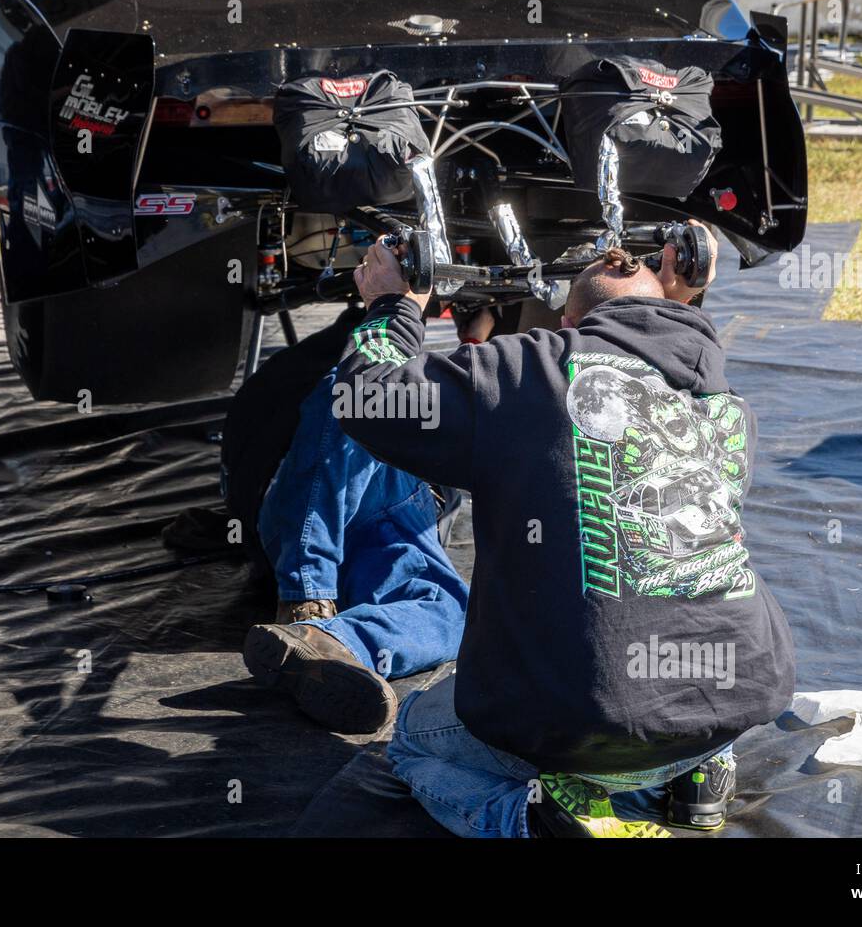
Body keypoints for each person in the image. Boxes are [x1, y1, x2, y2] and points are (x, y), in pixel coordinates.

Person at [336, 227, 796, 837]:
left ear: (568, 322)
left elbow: (367, 397)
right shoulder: (728, 407)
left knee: (417, 737)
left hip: (586, 717)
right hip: (736, 699)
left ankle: (533, 821)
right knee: (686, 601)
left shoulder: (531, 370)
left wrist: (393, 305)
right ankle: (699, 777)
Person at [229, 309, 472, 735]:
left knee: (456, 612)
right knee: (358, 397)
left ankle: (331, 642)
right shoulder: (336, 368)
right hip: (307, 521)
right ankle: (307, 595)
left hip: (397, 533)